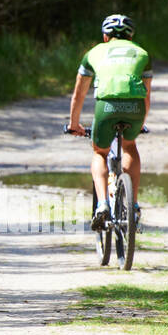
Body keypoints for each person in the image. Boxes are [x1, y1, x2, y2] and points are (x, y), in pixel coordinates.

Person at [66, 14, 152, 231]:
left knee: (100, 153)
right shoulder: (142, 53)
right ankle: (132, 206)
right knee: (129, 146)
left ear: (105, 36)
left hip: (106, 107)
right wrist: (141, 122)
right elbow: (146, 94)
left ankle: (103, 203)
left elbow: (79, 94)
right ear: (131, 36)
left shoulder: (94, 52)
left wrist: (74, 124)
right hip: (135, 108)